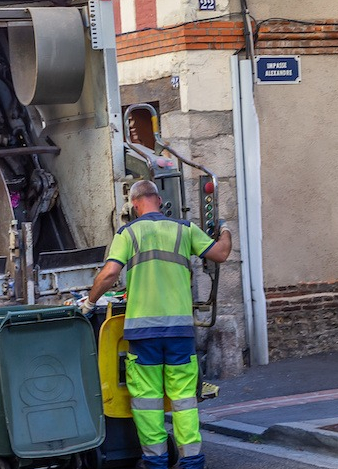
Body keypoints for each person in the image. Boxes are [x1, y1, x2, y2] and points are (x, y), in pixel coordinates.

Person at [76, 180, 232, 469]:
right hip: (180, 333)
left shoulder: (127, 233)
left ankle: (156, 462)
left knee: (147, 403)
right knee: (184, 399)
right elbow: (221, 253)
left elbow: (110, 273)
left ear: (135, 204)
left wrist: (88, 303)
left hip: (143, 333)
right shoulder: (184, 230)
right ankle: (192, 462)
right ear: (159, 201)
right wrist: (225, 229)